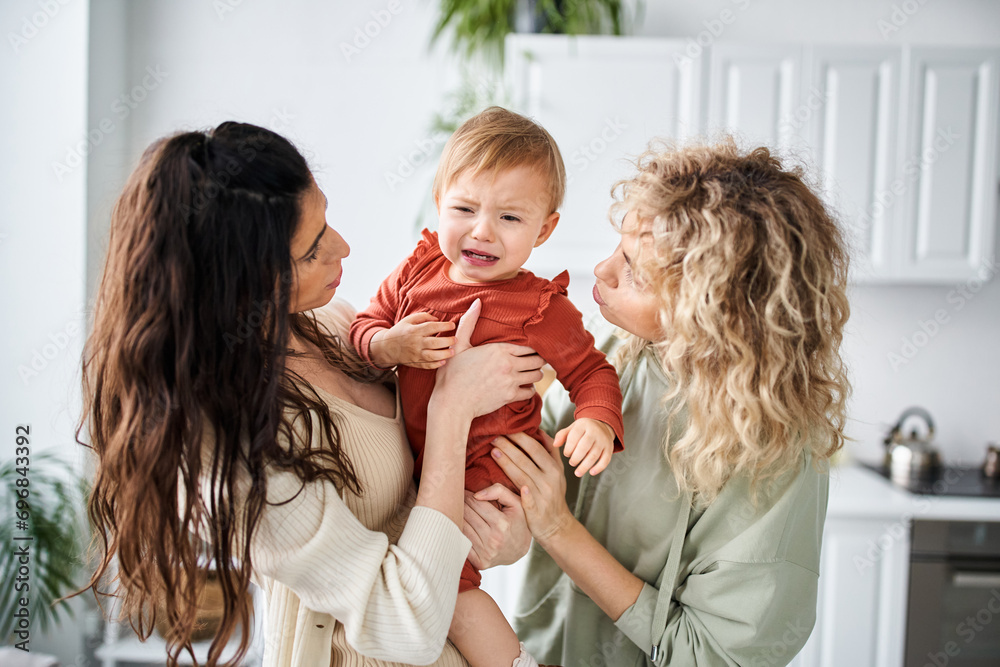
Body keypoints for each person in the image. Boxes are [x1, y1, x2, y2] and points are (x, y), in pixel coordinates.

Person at [77, 121, 545, 667]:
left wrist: (510, 532)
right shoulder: (235, 450)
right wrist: (451, 410)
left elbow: (448, 513)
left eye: (326, 220)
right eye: (311, 250)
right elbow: (406, 628)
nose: (343, 247)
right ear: (243, 282)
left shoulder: (333, 326)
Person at [476, 138, 851, 666]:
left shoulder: (775, 452)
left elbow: (709, 656)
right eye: (618, 248)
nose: (601, 272)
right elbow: (536, 486)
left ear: (713, 311)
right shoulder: (621, 354)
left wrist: (558, 529)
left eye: (635, 272)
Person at [349, 107, 625, 667]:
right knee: (418, 578)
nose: (481, 230)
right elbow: (363, 326)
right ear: (438, 200)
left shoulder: (540, 308)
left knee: (447, 585)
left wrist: (596, 419)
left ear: (545, 229)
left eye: (509, 218)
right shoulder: (416, 271)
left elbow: (592, 372)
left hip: (488, 466)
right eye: (465, 208)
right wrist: (388, 346)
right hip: (420, 459)